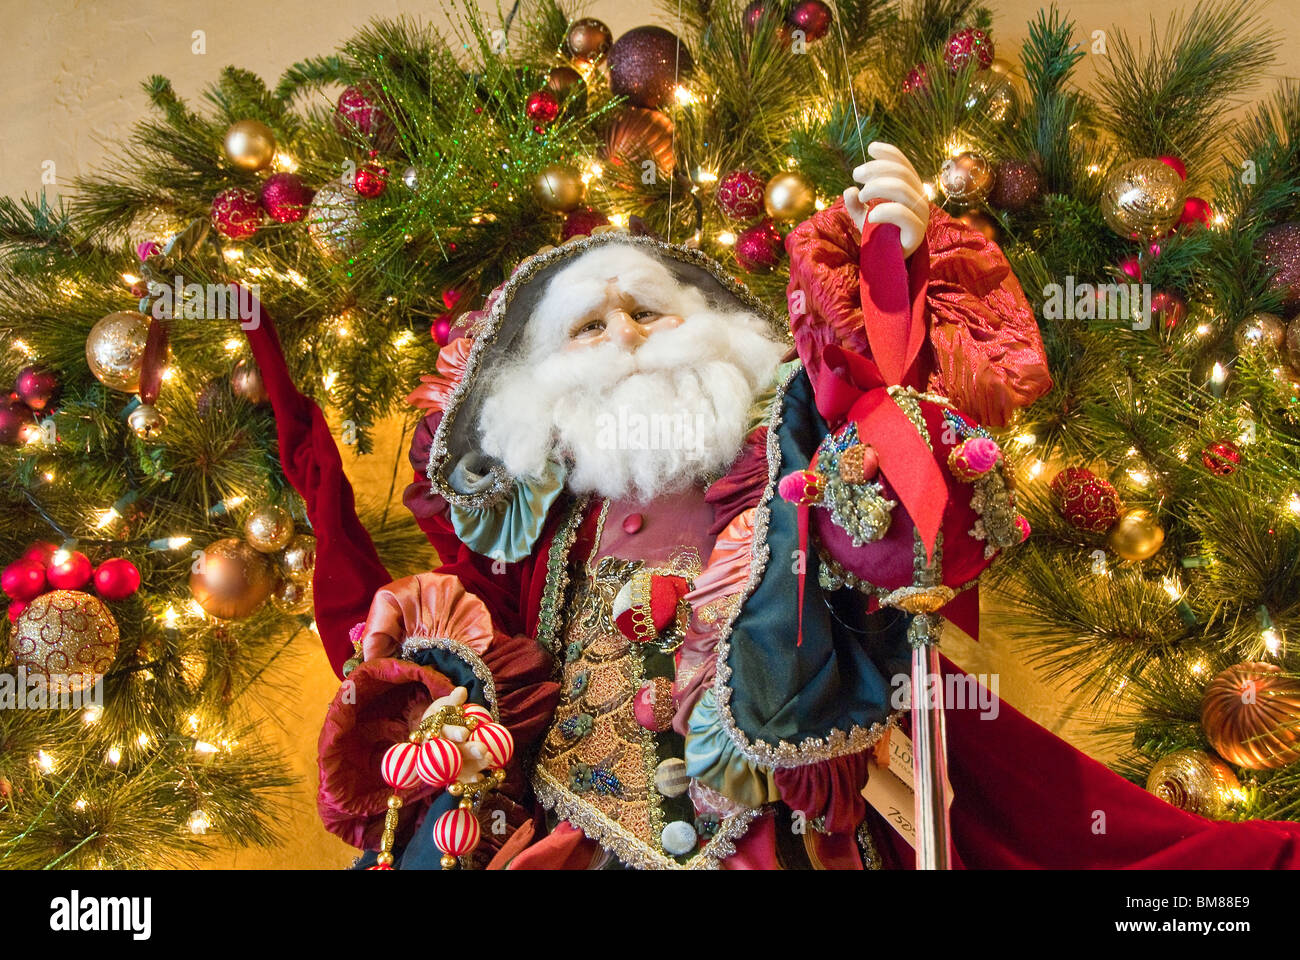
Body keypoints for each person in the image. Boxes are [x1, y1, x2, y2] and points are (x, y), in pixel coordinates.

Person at [311, 142, 1058, 869]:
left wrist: (900, 268)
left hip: (772, 821)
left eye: (646, 311)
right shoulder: (537, 507)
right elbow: (490, 629)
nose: (627, 338)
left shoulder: (780, 440)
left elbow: (890, 427)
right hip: (584, 817)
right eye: (591, 327)